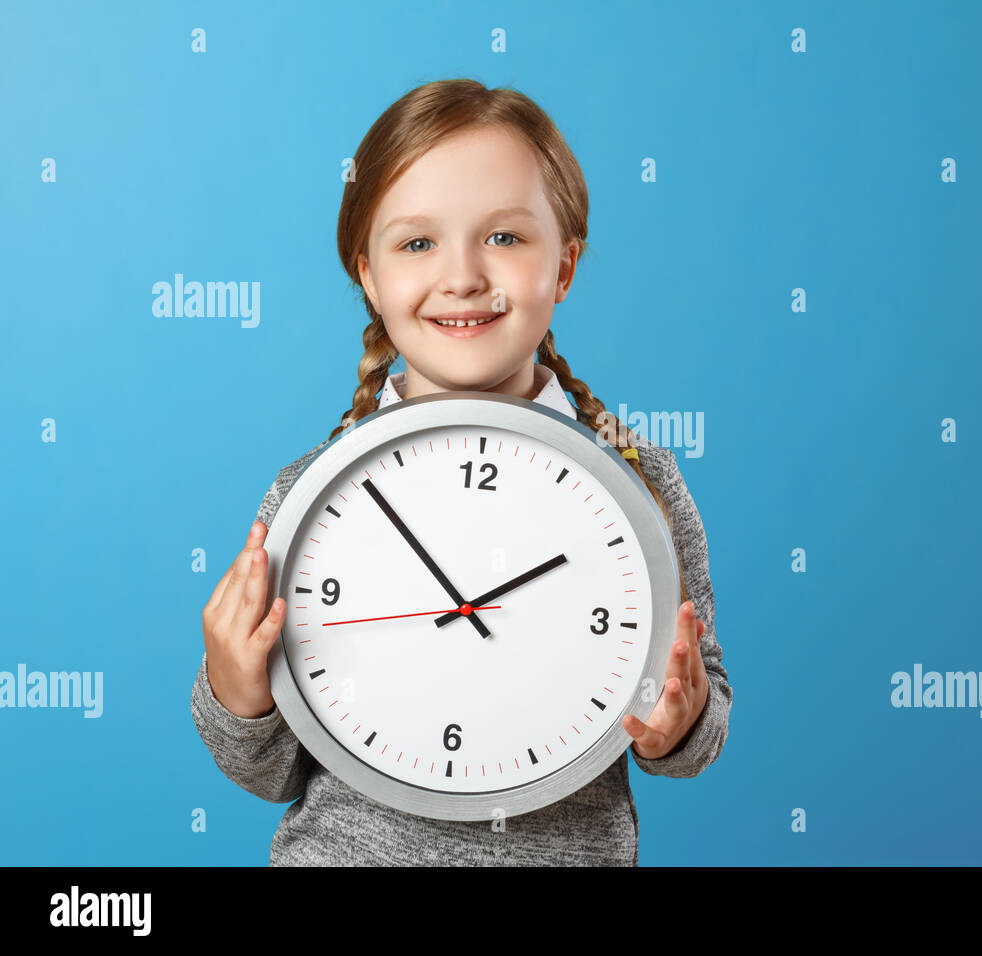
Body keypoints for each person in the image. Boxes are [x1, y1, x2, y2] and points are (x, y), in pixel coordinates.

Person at [190, 78, 731, 865]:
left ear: (566, 266)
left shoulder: (639, 480)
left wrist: (680, 720)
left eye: (505, 238)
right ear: (369, 277)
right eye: (417, 243)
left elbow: (697, 725)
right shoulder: (310, 497)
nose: (465, 277)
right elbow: (266, 771)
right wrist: (233, 687)